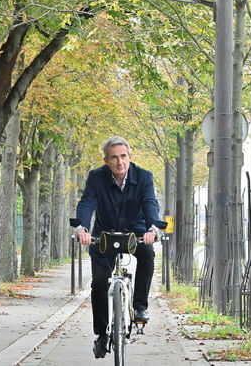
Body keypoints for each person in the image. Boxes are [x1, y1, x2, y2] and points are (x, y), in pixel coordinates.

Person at [74, 136, 161, 359]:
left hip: (136, 232)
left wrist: (152, 229)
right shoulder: (96, 177)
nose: (119, 162)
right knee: (100, 283)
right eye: (114, 157)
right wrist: (82, 227)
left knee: (148, 254)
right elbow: (87, 203)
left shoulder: (144, 177)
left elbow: (150, 203)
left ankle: (140, 306)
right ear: (106, 160)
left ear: (130, 157)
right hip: (105, 234)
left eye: (123, 156)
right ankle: (102, 334)